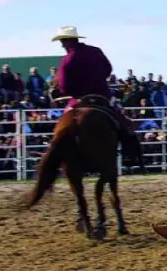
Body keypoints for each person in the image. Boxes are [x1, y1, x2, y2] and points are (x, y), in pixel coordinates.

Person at [51, 26, 145, 170]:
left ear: (67, 41)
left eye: (63, 42)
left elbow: (64, 86)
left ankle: (56, 154)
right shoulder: (96, 51)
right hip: (103, 95)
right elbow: (108, 69)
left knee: (63, 125)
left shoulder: (67, 60)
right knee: (123, 120)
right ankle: (133, 153)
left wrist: (72, 90)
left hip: (78, 99)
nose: (62, 45)